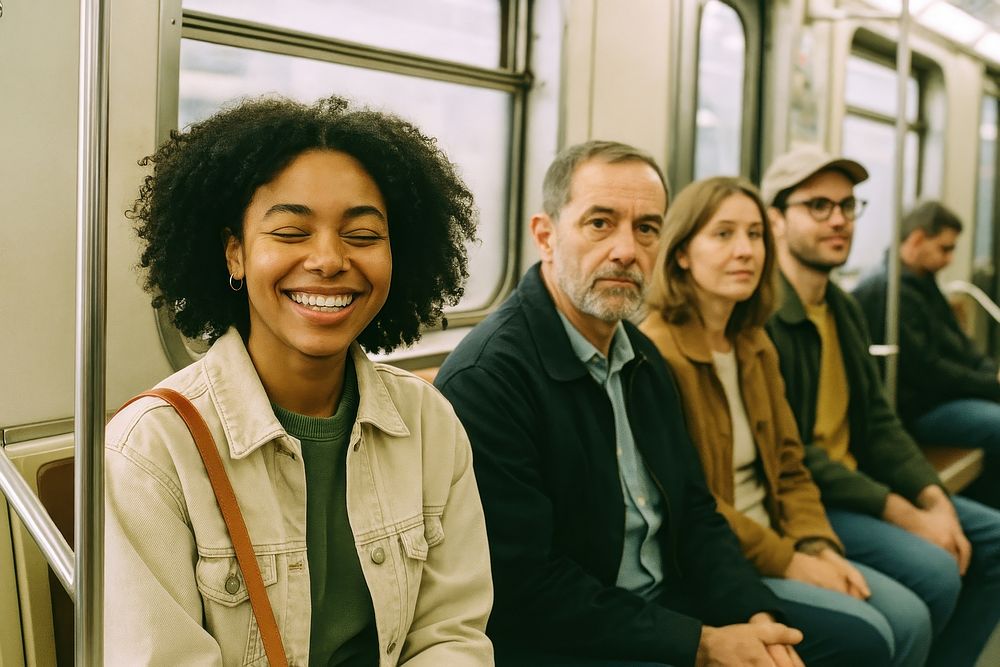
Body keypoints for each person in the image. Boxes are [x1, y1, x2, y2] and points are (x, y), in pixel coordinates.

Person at [436, 140, 889, 667]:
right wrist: (703, 644)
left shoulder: (641, 358)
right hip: (571, 638)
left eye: (647, 228)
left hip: (667, 601)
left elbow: (695, 512)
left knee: (864, 643)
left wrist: (753, 613)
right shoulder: (490, 379)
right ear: (546, 236)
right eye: (600, 223)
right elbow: (525, 585)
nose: (626, 250)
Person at [105, 96, 493, 665]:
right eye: (290, 232)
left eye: (363, 235)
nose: (329, 259)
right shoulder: (153, 448)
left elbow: (451, 636)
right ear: (235, 254)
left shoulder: (427, 421)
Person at [640, 175, 930, 666]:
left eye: (755, 235)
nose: (745, 250)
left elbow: (790, 465)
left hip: (782, 532)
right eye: (724, 234)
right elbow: (694, 502)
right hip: (722, 558)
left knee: (911, 616)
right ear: (683, 253)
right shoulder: (658, 353)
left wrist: (817, 545)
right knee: (882, 629)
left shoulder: (754, 343)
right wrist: (789, 560)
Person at [762, 144, 1000, 667]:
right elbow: (791, 453)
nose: (839, 220)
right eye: (818, 206)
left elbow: (877, 419)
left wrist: (932, 496)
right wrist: (904, 512)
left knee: (993, 539)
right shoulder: (764, 318)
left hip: (856, 479)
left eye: (848, 206)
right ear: (775, 220)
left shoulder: (841, 308)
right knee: (937, 572)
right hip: (811, 498)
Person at [853, 201, 1000, 474]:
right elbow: (928, 371)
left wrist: (991, 373)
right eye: (945, 249)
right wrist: (990, 384)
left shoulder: (923, 281)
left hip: (946, 397)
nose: (950, 259)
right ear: (918, 239)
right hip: (921, 409)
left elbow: (961, 344)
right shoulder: (888, 291)